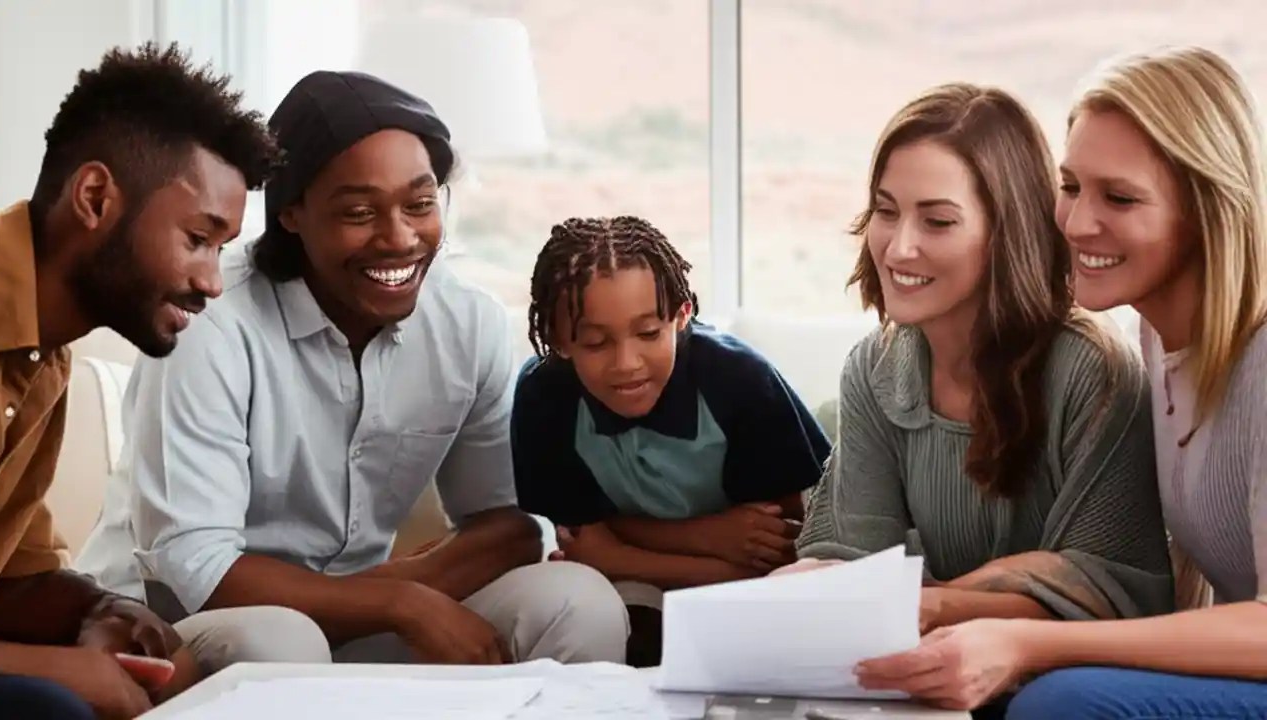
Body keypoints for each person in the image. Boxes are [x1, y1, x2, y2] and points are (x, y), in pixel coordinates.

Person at [77, 70, 630, 669]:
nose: (399, 239)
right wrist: (399, 602)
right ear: (291, 212)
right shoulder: (210, 321)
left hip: (356, 615)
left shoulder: (469, 324)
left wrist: (400, 594)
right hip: (172, 628)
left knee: (579, 602)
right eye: (360, 212)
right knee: (285, 641)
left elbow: (512, 524)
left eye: (420, 205)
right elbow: (198, 568)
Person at [863, 47, 1267, 719]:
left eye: (1120, 198)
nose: (1076, 224)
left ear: (1206, 210)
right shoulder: (1159, 339)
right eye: (1071, 186)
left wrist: (1028, 642)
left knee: (1062, 702)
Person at [774, 83, 1176, 712]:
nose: (899, 246)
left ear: (1006, 233)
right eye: (886, 210)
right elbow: (851, 561)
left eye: (937, 221)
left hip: (1065, 688)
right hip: (928, 679)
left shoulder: (1090, 369)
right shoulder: (875, 369)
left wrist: (936, 599)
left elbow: (1108, 595)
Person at [0, 42, 278, 719]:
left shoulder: (42, 360)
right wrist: (64, 670)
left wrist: (103, 610)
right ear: (96, 198)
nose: (211, 282)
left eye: (223, 251)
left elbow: (15, 581)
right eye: (197, 238)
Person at [512, 215, 830, 666]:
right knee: (623, 631)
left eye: (647, 334)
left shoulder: (739, 382)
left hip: (759, 588)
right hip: (652, 588)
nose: (626, 364)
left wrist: (622, 554)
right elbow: (588, 545)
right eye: (595, 343)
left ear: (682, 315)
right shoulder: (545, 397)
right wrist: (711, 536)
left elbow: (778, 556)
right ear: (558, 340)